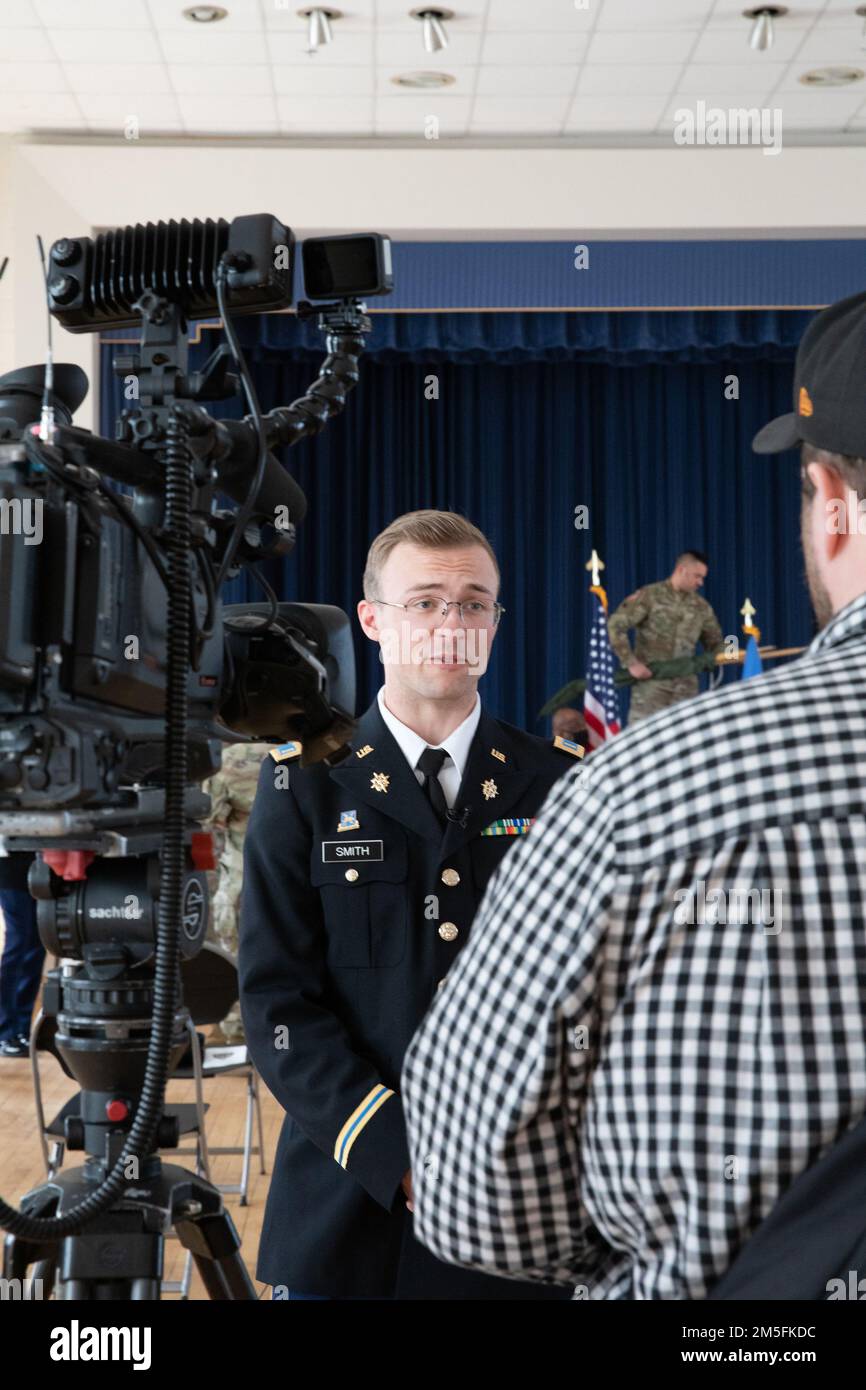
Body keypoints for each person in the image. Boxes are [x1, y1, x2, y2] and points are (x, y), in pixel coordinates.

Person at [401, 291, 866, 1301]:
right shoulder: (651, 620)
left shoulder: (633, 804)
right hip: (662, 707)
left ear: (827, 502)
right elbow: (622, 644)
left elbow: (469, 1177)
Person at [238, 509, 581, 1300]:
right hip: (345, 1213)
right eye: (424, 601)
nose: (449, 623)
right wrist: (398, 1158)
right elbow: (277, 1000)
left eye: (472, 602)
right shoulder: (303, 784)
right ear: (372, 620)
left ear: (496, 621)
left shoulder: (561, 783)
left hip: (517, 1217)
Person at [202, 741, 272, 1045]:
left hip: (241, 881)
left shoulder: (227, 760)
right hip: (297, 875)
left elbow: (205, 819)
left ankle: (237, 1030)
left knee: (237, 956)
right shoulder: (306, 751)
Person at [607, 550, 724, 724]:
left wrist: (733, 650)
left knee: (686, 745)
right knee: (644, 742)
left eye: (702, 578)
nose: (700, 582)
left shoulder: (701, 607)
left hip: (686, 691)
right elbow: (615, 626)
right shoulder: (650, 596)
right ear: (681, 570)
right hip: (651, 688)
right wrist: (630, 663)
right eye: (697, 576)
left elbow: (716, 642)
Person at [0, 853, 42, 1058]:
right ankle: (5, 1032)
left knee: (37, 944)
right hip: (8, 868)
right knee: (18, 943)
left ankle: (22, 1029)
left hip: (38, 870)